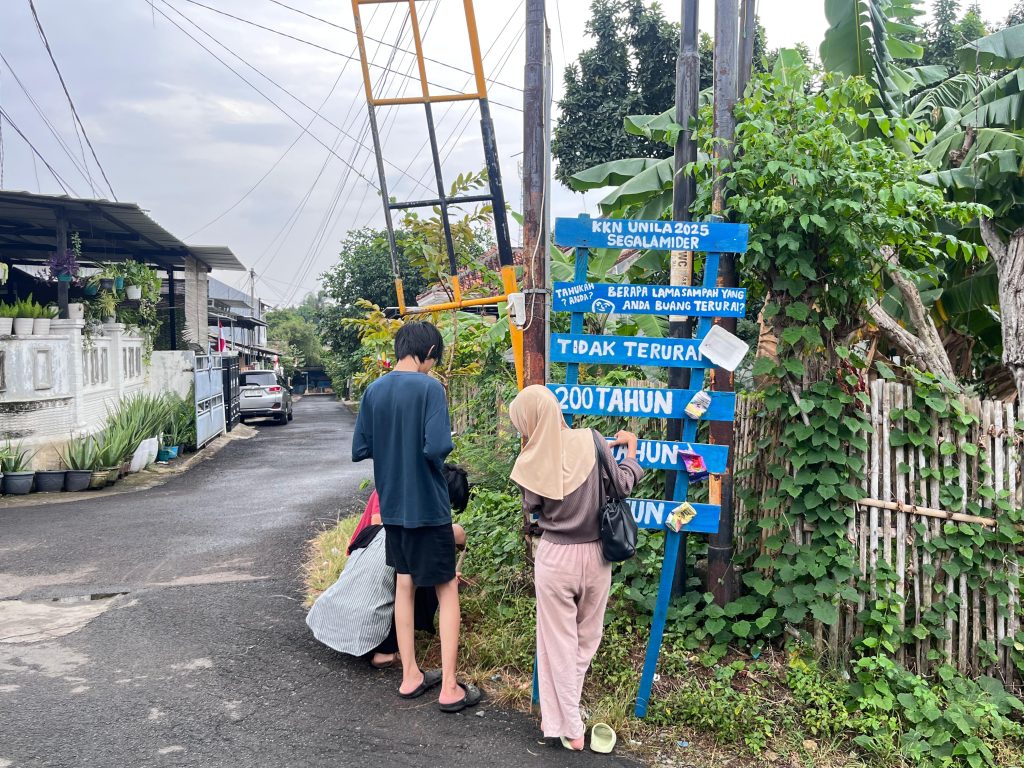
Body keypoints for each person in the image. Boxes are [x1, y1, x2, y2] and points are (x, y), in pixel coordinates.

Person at [351, 321, 480, 713]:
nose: (431, 366)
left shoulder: (374, 390)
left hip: (393, 509)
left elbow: (361, 448)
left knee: (404, 586)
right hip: (428, 505)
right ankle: (450, 688)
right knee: (446, 590)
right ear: (427, 354)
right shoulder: (429, 388)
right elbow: (438, 445)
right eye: (432, 360)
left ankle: (411, 676)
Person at [508, 385, 643, 751]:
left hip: (555, 558)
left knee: (557, 644)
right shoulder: (594, 440)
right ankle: (569, 721)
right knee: (587, 637)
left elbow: (533, 508)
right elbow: (624, 483)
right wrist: (629, 451)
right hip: (598, 556)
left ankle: (567, 722)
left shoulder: (530, 460)